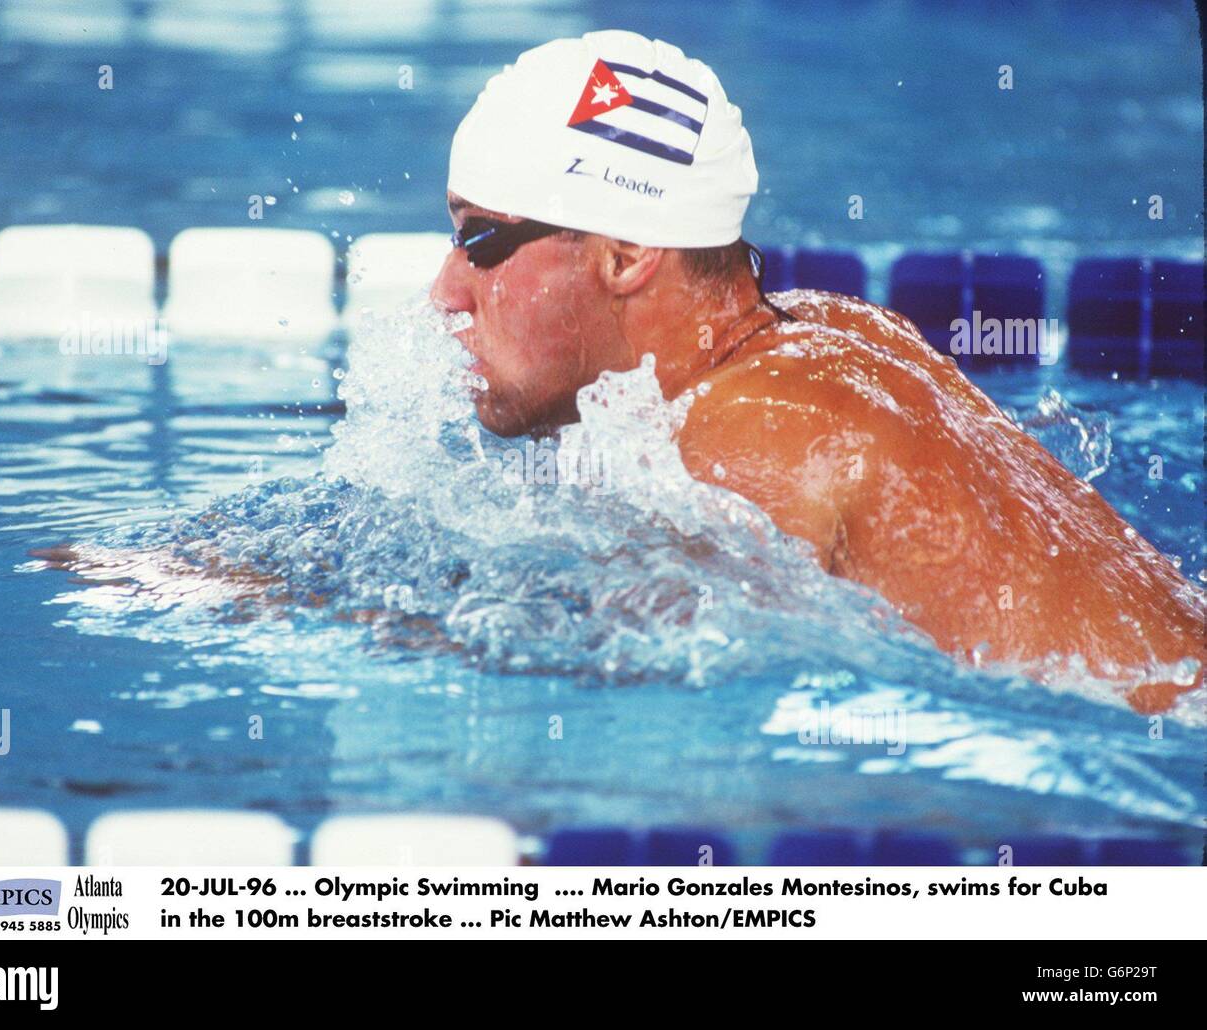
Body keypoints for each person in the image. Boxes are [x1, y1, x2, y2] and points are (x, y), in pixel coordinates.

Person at [428, 29, 1205, 714]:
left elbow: (643, 700)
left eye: (482, 241)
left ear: (627, 254)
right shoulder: (830, 328)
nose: (445, 292)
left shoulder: (751, 437)